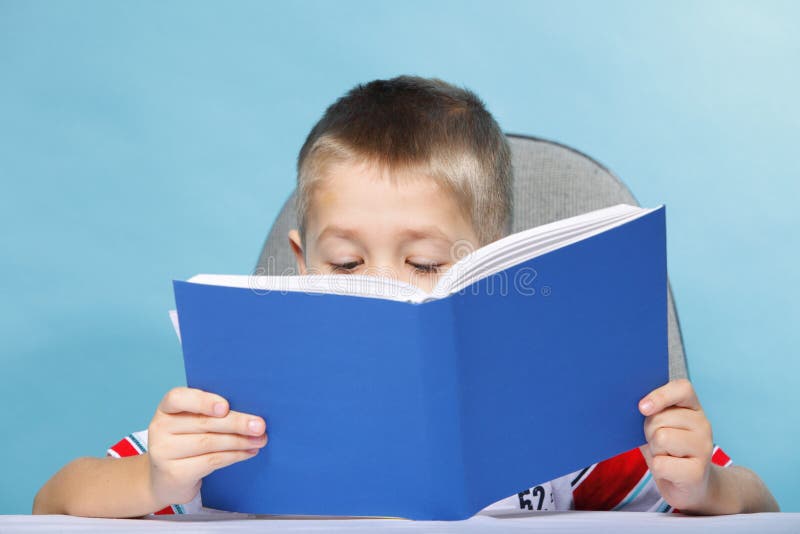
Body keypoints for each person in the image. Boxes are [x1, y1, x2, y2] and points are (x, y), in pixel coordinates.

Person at [33, 75, 779, 518]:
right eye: (348, 260)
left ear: (487, 269)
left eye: (424, 264)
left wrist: (705, 483)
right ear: (300, 262)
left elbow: (762, 507)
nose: (385, 288)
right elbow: (54, 502)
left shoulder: (558, 413)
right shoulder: (243, 416)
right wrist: (156, 478)